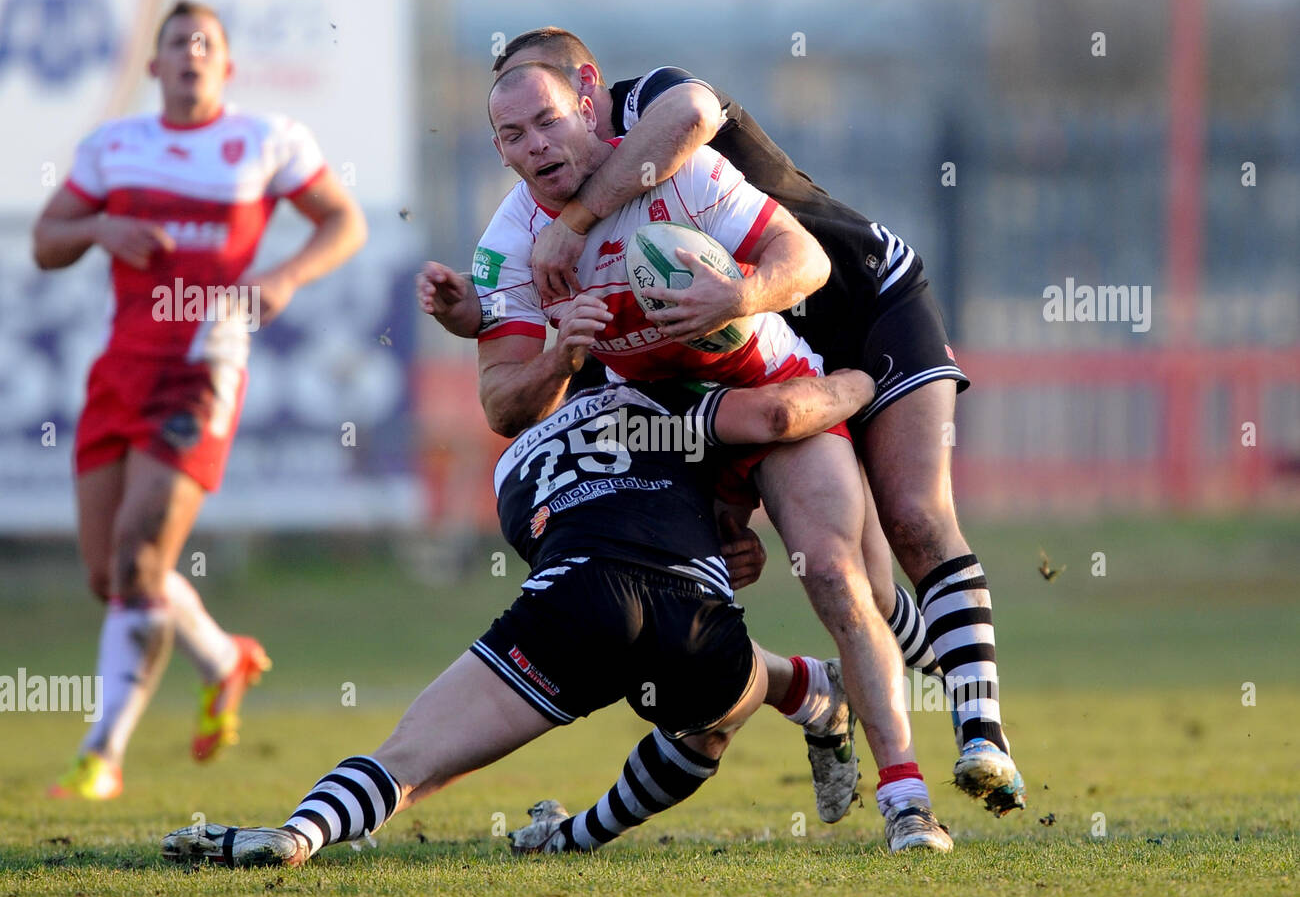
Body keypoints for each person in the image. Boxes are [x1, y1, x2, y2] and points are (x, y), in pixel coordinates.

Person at [430, 28, 1024, 816]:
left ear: (588, 91)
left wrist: (573, 226)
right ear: (498, 145)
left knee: (914, 515)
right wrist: (484, 317)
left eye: (547, 115)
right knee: (856, 584)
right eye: (512, 132)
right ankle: (852, 703)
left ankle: (981, 732)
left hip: (851, 300)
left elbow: (696, 110)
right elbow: (543, 388)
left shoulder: (647, 110)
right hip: (744, 346)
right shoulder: (514, 241)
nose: (536, 144)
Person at [161, 367, 951, 866]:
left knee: (411, 762)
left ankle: (299, 833)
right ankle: (807, 692)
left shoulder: (508, 468)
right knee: (704, 725)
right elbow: (771, 428)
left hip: (577, 605)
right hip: (696, 615)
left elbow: (572, 520)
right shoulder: (670, 397)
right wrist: (853, 381)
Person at [30, 0, 367, 799]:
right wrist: (99, 230)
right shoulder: (115, 146)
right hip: (120, 370)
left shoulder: (263, 140)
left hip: (203, 366)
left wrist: (285, 275)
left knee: (141, 563)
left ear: (226, 66)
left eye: (205, 43)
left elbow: (344, 222)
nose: (191, 53)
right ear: (153, 67)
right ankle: (223, 659)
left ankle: (100, 757)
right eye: (177, 42)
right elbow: (48, 241)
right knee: (111, 579)